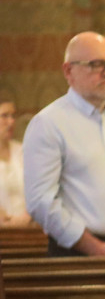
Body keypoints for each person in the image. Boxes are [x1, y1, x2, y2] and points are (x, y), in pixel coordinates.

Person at [22, 34, 105, 256]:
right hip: (76, 252)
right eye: (95, 64)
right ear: (68, 71)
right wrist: (93, 246)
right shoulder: (48, 123)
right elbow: (40, 200)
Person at [0, 97, 36, 228]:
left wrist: (27, 217)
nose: (11, 122)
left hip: (29, 227)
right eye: (4, 116)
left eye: (13, 116)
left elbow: (38, 189)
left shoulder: (23, 151)